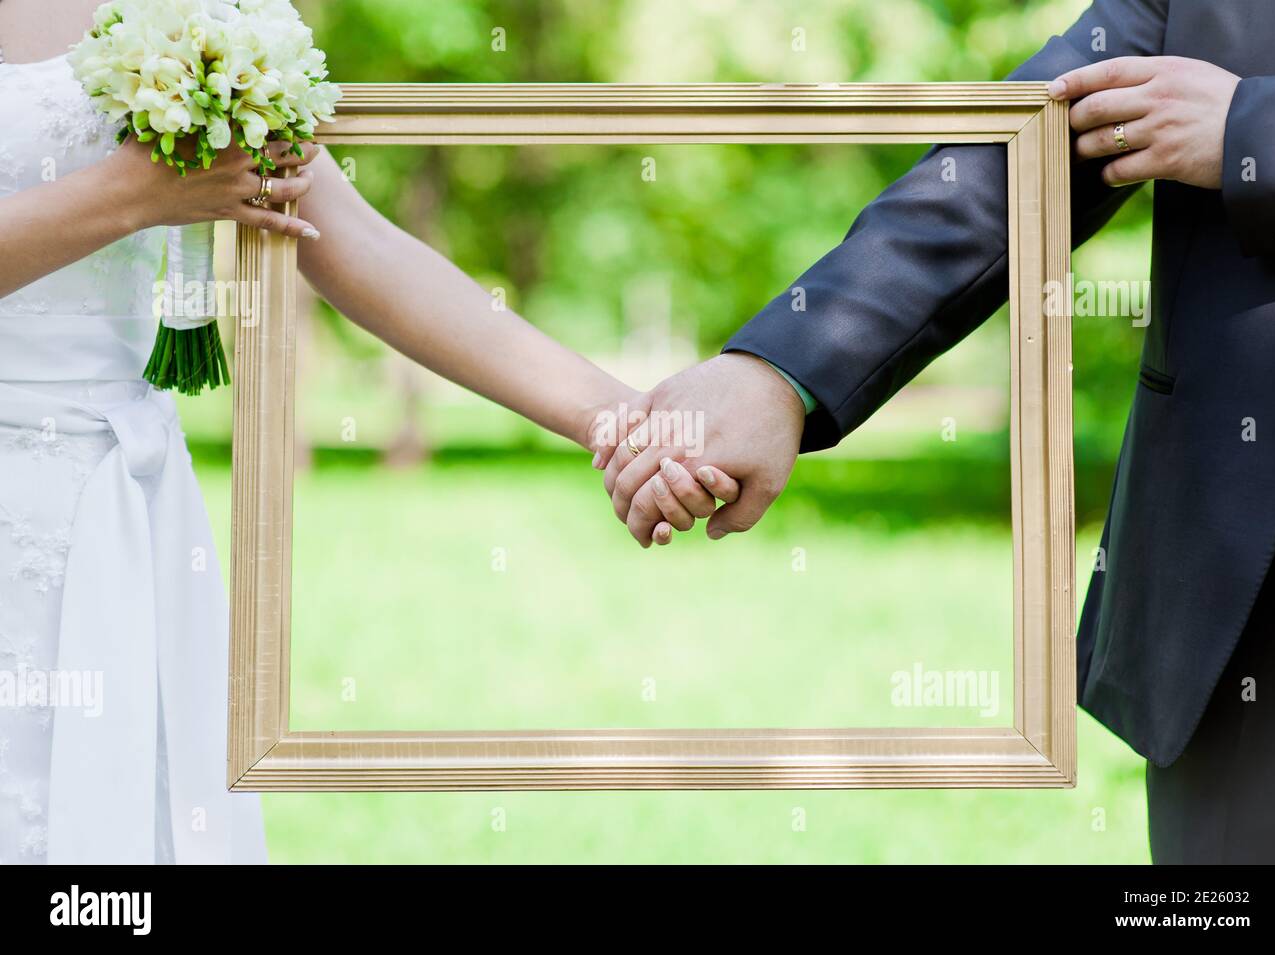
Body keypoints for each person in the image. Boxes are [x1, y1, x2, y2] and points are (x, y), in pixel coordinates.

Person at [0, 0, 734, 863]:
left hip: (120, 513)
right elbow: (143, 193)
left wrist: (624, 420)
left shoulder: (209, 8)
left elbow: (356, 246)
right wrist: (130, 196)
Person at [603, 0, 1275, 863]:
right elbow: (1012, 162)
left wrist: (1260, 127)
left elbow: (1246, 129)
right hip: (1245, 605)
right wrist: (779, 371)